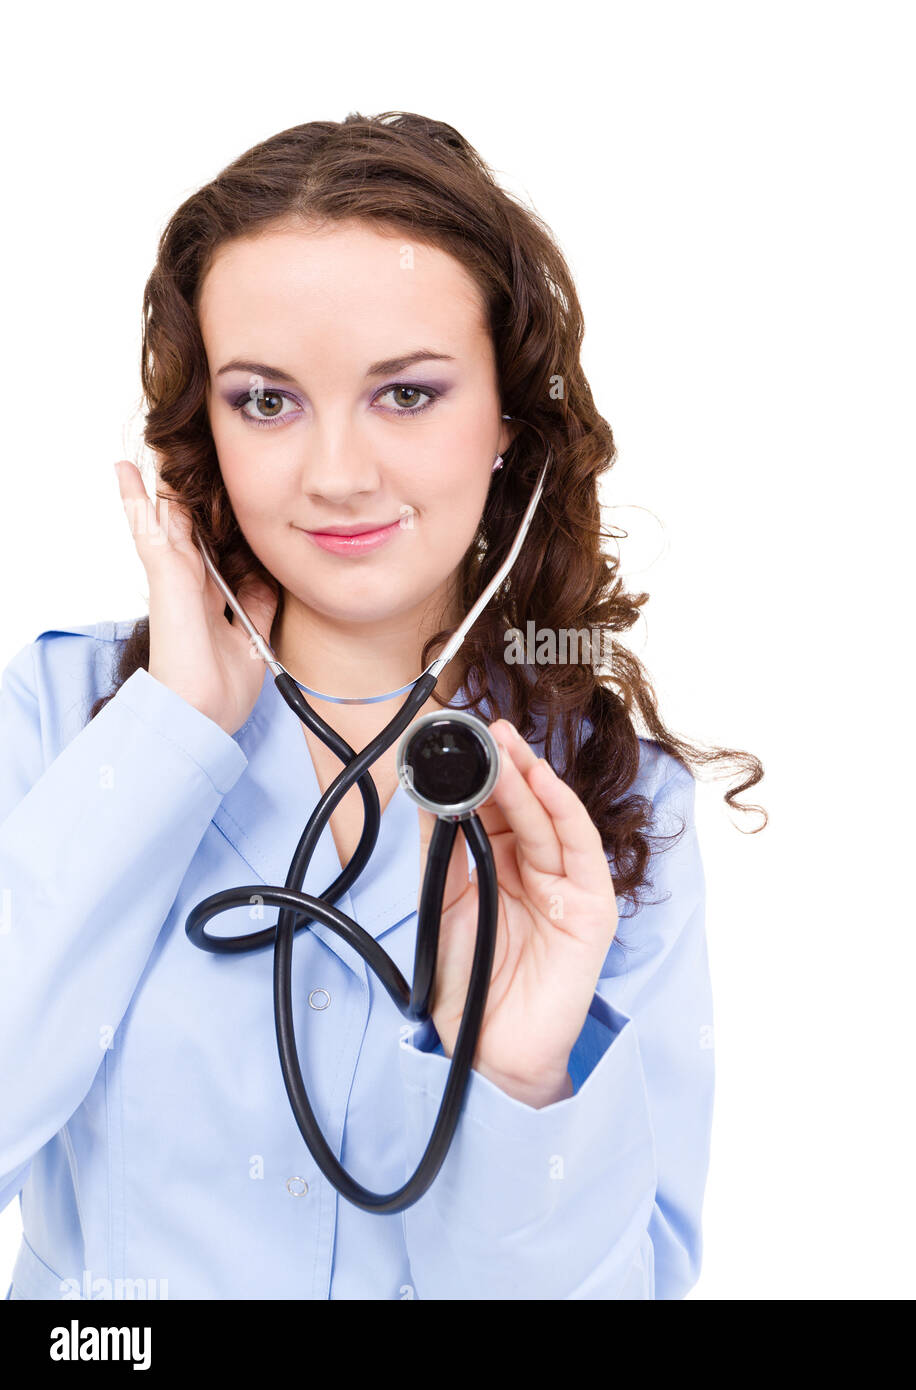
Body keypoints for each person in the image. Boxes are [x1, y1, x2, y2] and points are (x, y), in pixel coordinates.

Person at [0, 111, 763, 1300]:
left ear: (510, 417)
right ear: (204, 418)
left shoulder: (611, 807)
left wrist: (510, 1075)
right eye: (266, 401)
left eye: (405, 395)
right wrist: (166, 742)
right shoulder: (59, 721)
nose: (338, 473)